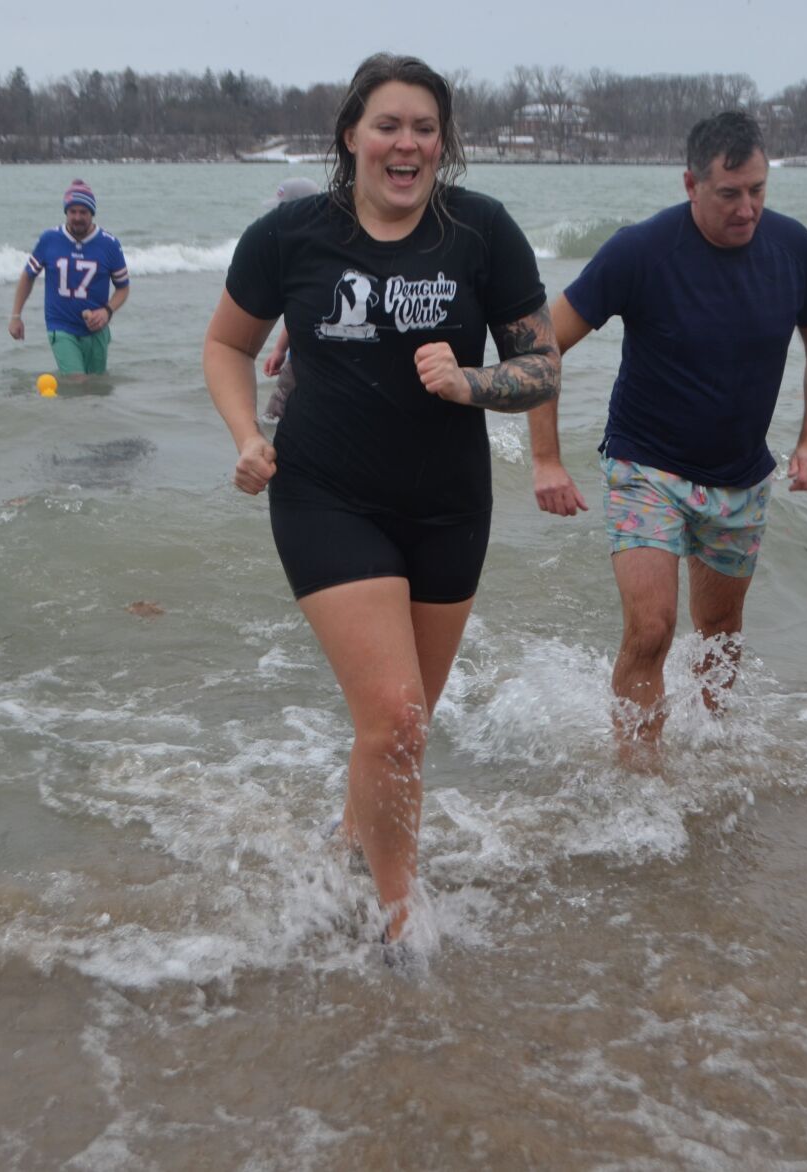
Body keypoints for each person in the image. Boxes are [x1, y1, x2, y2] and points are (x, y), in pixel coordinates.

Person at [203, 54, 559, 947]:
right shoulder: (289, 236)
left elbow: (542, 366)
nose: (407, 144)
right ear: (351, 136)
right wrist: (247, 437)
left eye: (425, 128)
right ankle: (402, 916)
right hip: (325, 494)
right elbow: (225, 345)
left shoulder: (481, 231)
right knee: (397, 716)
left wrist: (472, 382)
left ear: (444, 143)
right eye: (389, 125)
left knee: (400, 730)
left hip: (447, 507)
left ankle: (349, 842)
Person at [525, 110, 807, 770]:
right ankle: (638, 780)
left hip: (740, 476)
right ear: (690, 184)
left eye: (757, 189)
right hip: (647, 466)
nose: (747, 207)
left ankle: (716, 760)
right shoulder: (639, 251)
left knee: (720, 634)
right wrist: (546, 458)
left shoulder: (791, 248)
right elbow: (541, 344)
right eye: (729, 193)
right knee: (650, 628)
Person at [8, 179, 131, 376]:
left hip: (96, 329)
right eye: (72, 211)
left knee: (96, 387)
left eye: (83, 212)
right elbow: (28, 276)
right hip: (60, 325)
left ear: (92, 213)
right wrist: (16, 316)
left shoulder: (109, 245)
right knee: (77, 380)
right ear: (66, 212)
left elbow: (123, 288)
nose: (77, 217)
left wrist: (107, 311)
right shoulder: (49, 239)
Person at [260, 177, 321, 420]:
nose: (277, 222)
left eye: (282, 213)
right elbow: (298, 313)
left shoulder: (315, 254)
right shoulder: (298, 253)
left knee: (273, 418)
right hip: (296, 356)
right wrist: (279, 349)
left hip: (306, 364)